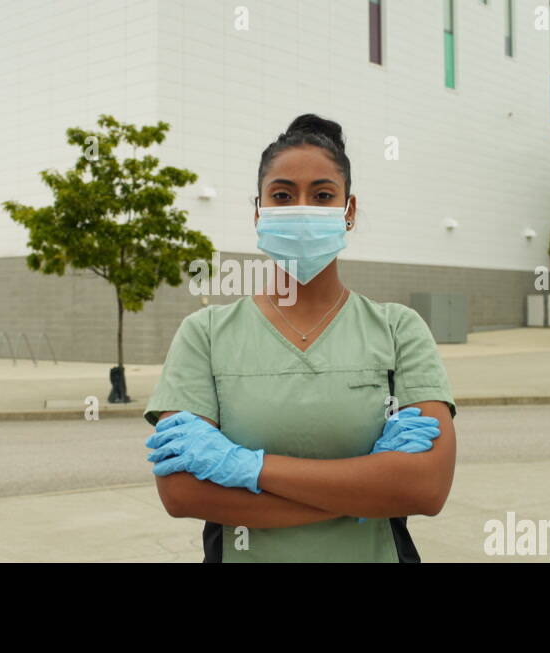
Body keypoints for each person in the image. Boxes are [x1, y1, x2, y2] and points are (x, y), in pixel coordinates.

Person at [143, 113, 457, 562]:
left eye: (323, 195)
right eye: (283, 195)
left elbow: (426, 488)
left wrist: (246, 468)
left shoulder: (398, 329)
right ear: (258, 210)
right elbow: (182, 493)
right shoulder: (206, 335)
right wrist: (367, 492)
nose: (302, 208)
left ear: (348, 211)